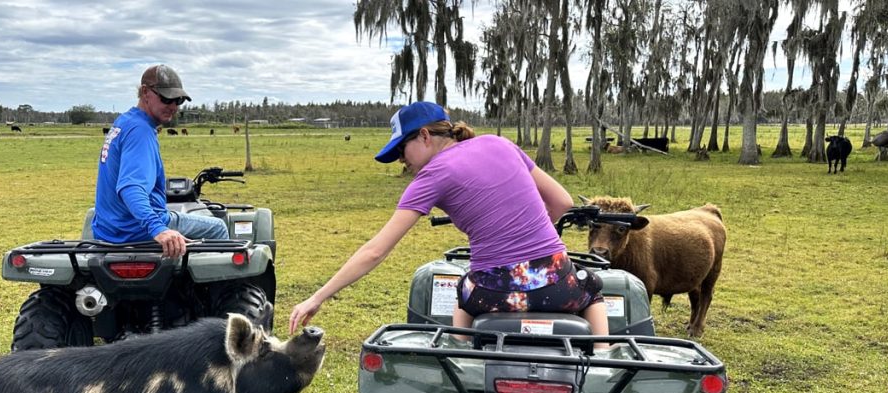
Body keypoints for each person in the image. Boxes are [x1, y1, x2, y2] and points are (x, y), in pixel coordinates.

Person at [289, 101, 609, 341]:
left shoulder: (430, 177)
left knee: (464, 290)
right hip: (557, 285)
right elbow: (563, 202)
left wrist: (317, 296)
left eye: (402, 149)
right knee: (593, 288)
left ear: (425, 136)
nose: (402, 160)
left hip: (491, 293)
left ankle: (462, 358)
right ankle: (604, 356)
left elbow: (375, 250)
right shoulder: (500, 144)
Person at [92, 64, 228, 259]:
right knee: (218, 228)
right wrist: (157, 228)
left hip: (109, 229)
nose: (173, 106)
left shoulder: (124, 122)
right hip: (135, 229)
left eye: (178, 100)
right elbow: (130, 187)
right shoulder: (141, 131)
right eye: (166, 98)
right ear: (145, 92)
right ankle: (219, 288)